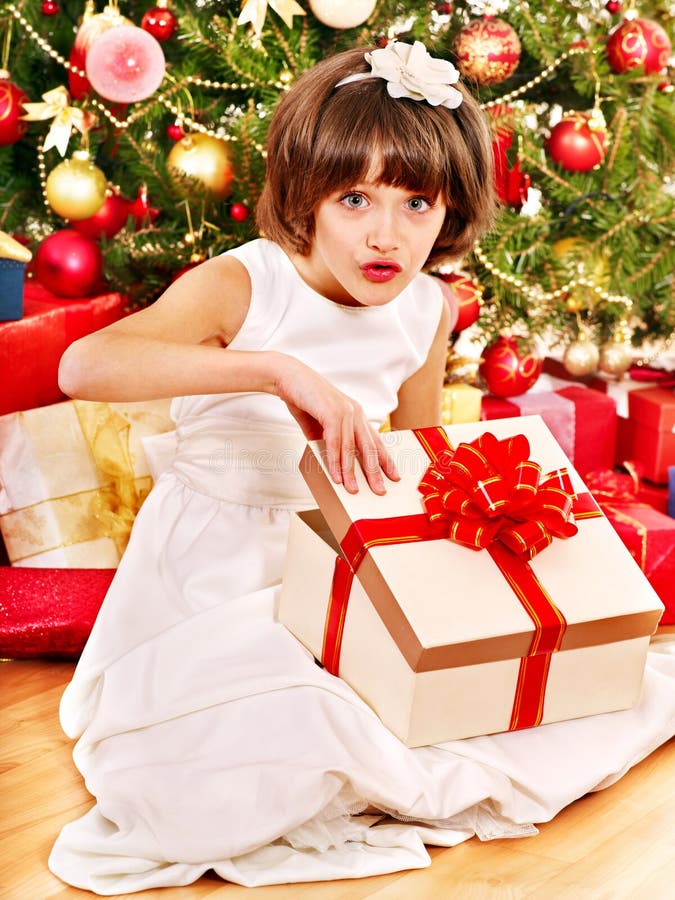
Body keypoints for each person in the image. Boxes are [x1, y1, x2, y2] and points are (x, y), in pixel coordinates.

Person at [49, 42, 675, 894]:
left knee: (506, 706)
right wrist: (274, 369)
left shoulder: (424, 307)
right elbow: (84, 367)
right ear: (307, 196)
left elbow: (418, 455)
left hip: (337, 560)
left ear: (448, 207)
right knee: (274, 730)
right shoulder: (249, 283)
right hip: (214, 571)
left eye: (416, 203)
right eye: (354, 200)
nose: (386, 235)